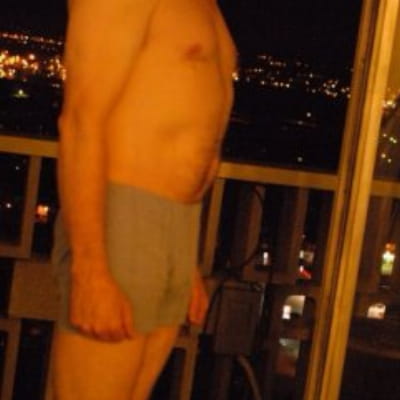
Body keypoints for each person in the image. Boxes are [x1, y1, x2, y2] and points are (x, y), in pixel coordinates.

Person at [51, 0, 236, 399]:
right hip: (121, 218)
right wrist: (90, 270)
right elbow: (81, 121)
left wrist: (184, 262)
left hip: (176, 226)